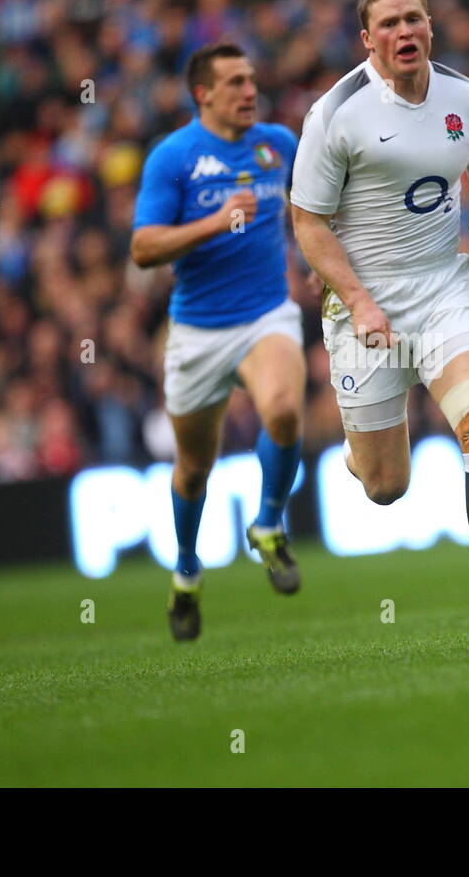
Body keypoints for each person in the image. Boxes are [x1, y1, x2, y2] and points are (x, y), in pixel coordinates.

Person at [290, 0, 469, 644]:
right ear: (368, 40)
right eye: (387, 24)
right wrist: (357, 300)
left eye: (413, 18)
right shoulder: (336, 114)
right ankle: (367, 456)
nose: (402, 31)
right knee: (386, 488)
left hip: (445, 290)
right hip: (365, 307)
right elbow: (307, 221)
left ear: (430, 27)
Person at [131, 42, 305, 642]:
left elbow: (320, 206)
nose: (249, 90)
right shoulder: (173, 158)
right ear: (202, 94)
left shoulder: (278, 144)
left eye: (252, 79)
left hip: (266, 313)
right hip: (198, 331)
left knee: (282, 410)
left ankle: (269, 525)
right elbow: (143, 248)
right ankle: (185, 570)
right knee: (194, 469)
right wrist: (216, 221)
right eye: (234, 82)